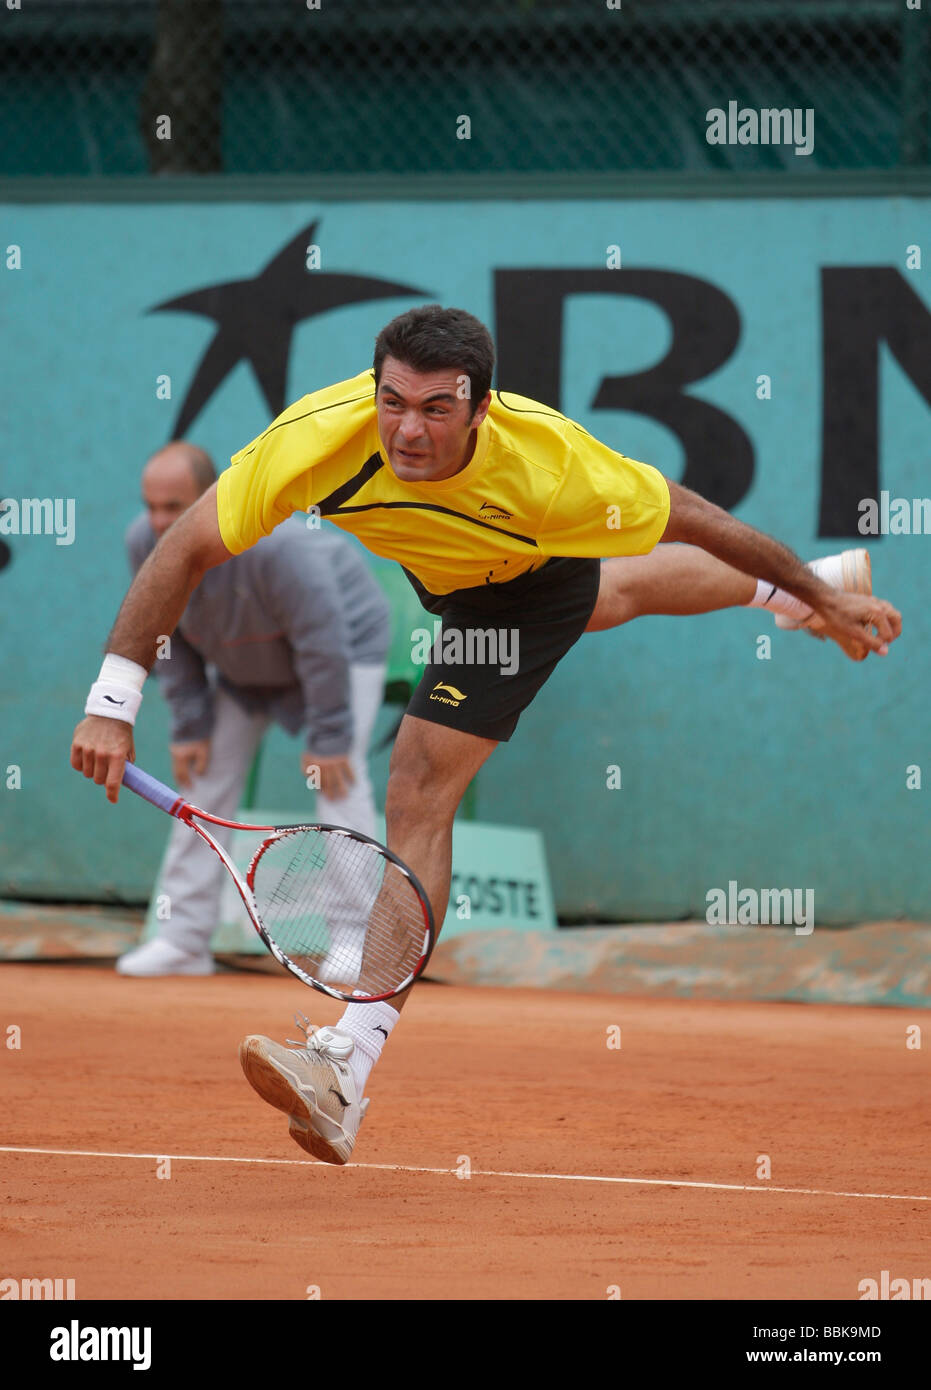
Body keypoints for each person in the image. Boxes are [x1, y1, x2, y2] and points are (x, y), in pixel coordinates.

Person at [71, 305, 901, 1164]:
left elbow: (691, 516)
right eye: (393, 401)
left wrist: (815, 585)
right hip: (455, 571)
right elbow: (182, 551)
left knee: (419, 790)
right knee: (613, 593)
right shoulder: (317, 437)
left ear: (480, 408)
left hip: (517, 590)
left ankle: (346, 1065)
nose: (408, 429)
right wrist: (111, 700)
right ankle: (792, 598)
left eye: (437, 408)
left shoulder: (549, 465)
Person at [114, 441, 391, 977]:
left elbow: (323, 637)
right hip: (244, 670)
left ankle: (353, 941)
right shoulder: (143, 543)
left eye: (174, 507)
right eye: (151, 506)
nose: (158, 521)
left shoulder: (280, 548)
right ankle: (184, 939)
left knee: (337, 777)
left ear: (211, 500)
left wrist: (331, 735)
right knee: (203, 778)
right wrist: (190, 723)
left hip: (341, 652)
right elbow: (161, 629)